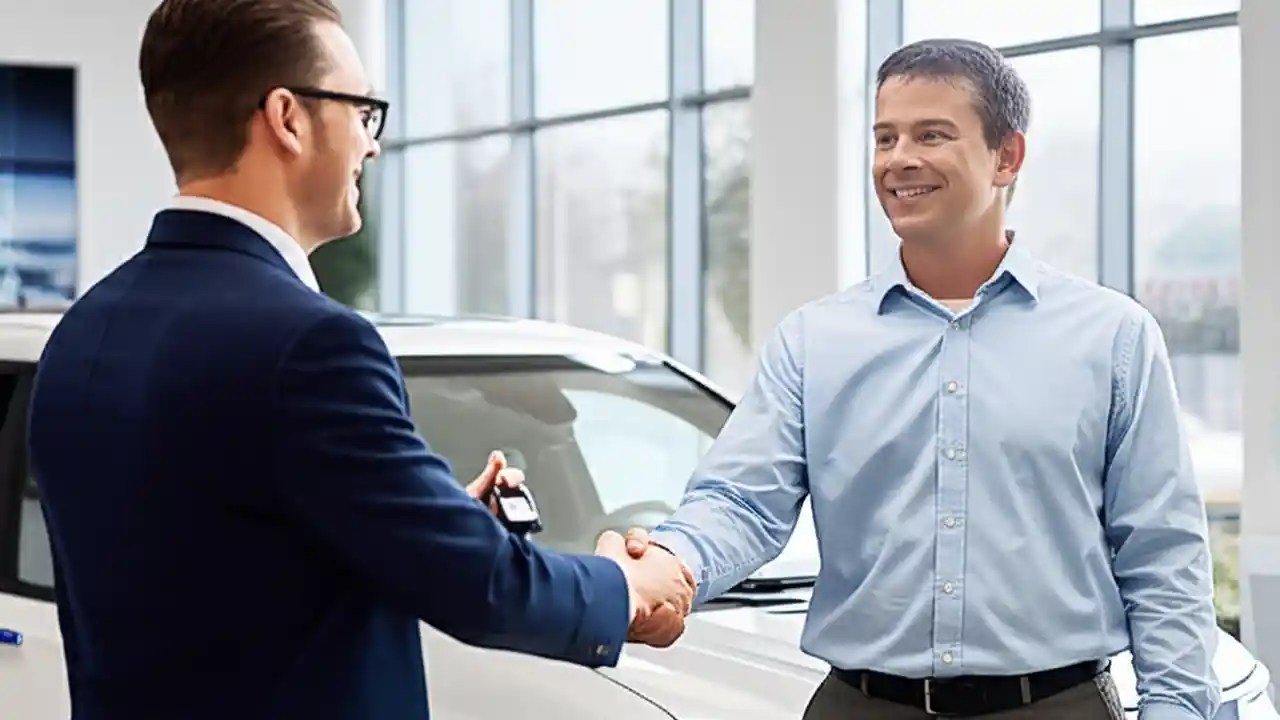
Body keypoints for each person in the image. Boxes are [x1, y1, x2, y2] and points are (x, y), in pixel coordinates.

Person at [25, 1, 692, 718]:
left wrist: (422, 519)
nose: (373, 145)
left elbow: (217, 558)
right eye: (364, 110)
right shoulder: (310, 345)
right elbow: (485, 587)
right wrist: (629, 587)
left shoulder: (83, 331)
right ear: (287, 118)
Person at [625, 38, 1220, 719]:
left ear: (1007, 157)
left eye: (931, 135)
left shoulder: (1113, 337)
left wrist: (1178, 710)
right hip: (862, 704)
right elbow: (741, 501)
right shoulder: (815, 341)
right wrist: (671, 566)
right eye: (885, 138)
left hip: (1058, 703)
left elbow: (1163, 553)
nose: (900, 159)